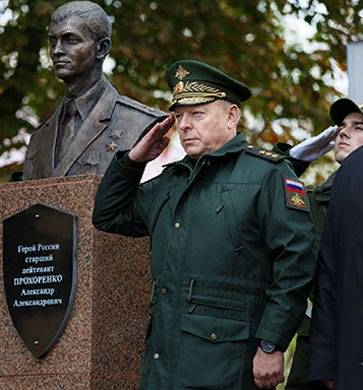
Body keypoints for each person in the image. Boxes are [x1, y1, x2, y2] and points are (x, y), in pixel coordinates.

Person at [92, 59, 315, 389]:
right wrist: (134, 159)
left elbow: (296, 263)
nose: (184, 125)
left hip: (227, 364)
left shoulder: (268, 174)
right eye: (179, 116)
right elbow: (107, 215)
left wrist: (272, 343)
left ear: (231, 116)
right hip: (165, 363)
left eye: (197, 114)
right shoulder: (172, 181)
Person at [22, 0, 165, 179]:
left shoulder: (141, 123)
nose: (57, 51)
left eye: (71, 40)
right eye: (53, 42)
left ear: (102, 48)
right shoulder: (40, 137)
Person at [284, 98, 363, 390]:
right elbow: (259, 200)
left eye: (359, 127)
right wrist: (292, 160)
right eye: (342, 127)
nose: (343, 133)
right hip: (318, 352)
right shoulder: (315, 200)